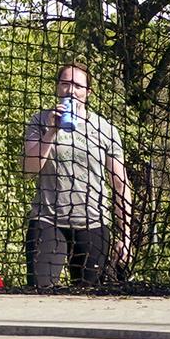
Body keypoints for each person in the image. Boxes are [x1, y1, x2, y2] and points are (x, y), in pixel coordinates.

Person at [23, 59, 132, 289]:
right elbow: (29, 169)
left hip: (93, 223)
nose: (71, 90)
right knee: (39, 292)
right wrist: (51, 131)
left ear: (88, 92)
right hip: (47, 220)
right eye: (65, 83)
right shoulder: (40, 121)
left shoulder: (105, 129)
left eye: (78, 85)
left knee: (88, 296)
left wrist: (125, 236)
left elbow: (120, 184)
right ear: (57, 87)